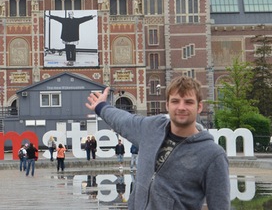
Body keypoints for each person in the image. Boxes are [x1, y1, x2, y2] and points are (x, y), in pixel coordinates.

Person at [85, 75, 230, 209]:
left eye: (188, 102)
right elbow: (124, 121)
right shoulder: (152, 128)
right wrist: (101, 106)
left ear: (199, 107)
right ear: (167, 105)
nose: (181, 107)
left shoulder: (213, 155)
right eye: (175, 101)